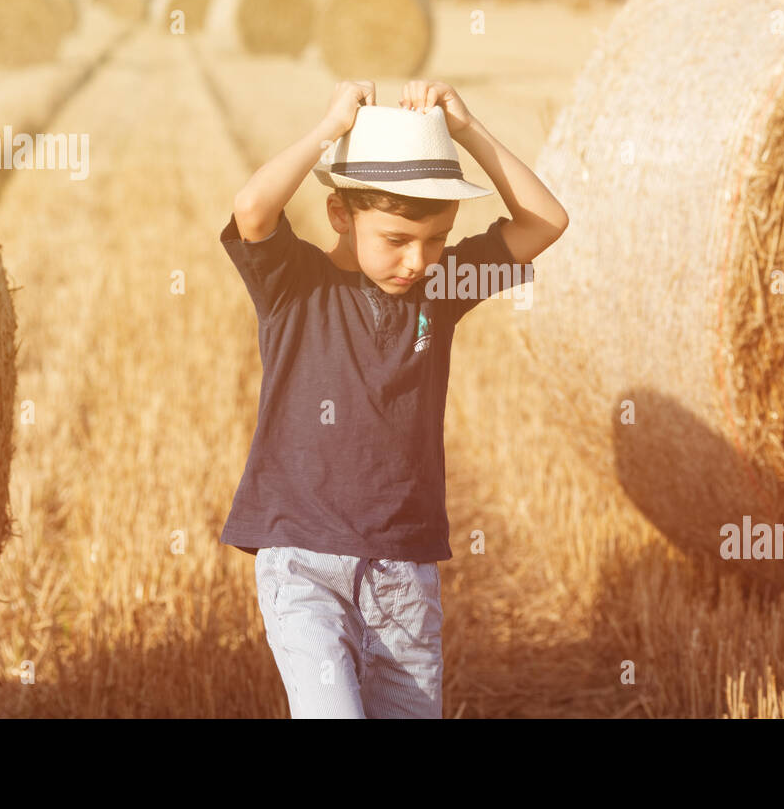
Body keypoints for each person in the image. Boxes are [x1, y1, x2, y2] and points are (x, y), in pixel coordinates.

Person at [220, 79, 569, 717]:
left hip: (404, 566)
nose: (417, 259)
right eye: (396, 240)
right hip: (303, 560)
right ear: (340, 216)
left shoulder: (442, 289)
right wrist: (329, 130)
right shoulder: (296, 286)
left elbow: (546, 221)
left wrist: (468, 131)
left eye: (436, 240)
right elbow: (253, 209)